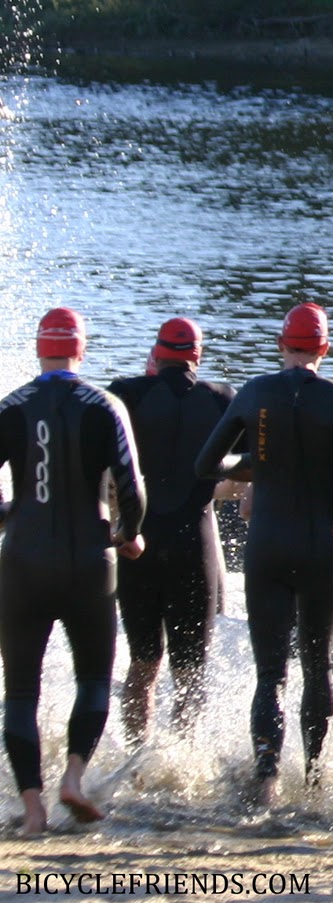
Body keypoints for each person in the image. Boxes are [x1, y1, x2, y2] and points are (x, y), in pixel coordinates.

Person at [194, 302, 333, 805]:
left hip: (268, 543)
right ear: (324, 348)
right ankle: (317, 779)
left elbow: (207, 463)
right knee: (317, 666)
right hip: (322, 541)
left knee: (270, 672)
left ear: (282, 344)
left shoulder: (255, 393)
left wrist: (261, 464)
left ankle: (268, 777)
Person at [0, 308, 145, 835]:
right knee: (93, 680)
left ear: (40, 349)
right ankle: (74, 779)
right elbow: (132, 487)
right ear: (80, 351)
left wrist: (10, 516)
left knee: (19, 693)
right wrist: (128, 535)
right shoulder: (104, 405)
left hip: (22, 563)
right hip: (89, 562)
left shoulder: (11, 405)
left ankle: (33, 808)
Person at [106, 317, 233, 743]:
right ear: (197, 355)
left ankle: (133, 758)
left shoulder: (125, 394)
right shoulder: (222, 399)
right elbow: (252, 467)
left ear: (157, 354)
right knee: (189, 671)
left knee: (143, 664)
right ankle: (179, 762)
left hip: (135, 543)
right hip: (194, 546)